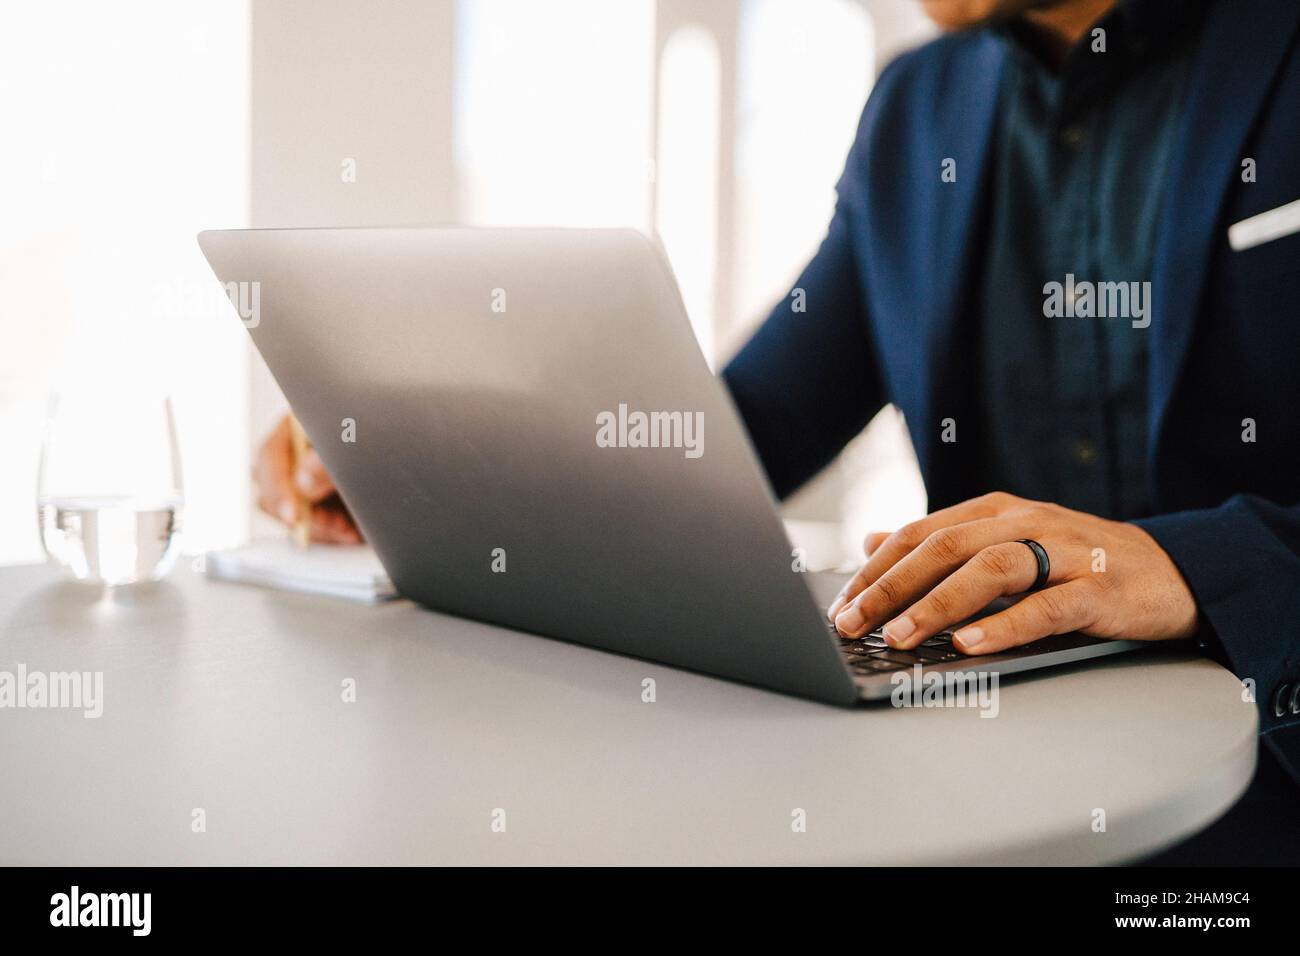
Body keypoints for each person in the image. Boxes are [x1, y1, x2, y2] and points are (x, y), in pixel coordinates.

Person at [256, 0, 1300, 861]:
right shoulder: (917, 112)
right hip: (984, 791)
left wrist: (1191, 561)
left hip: (1262, 791)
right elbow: (742, 433)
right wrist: (426, 454)